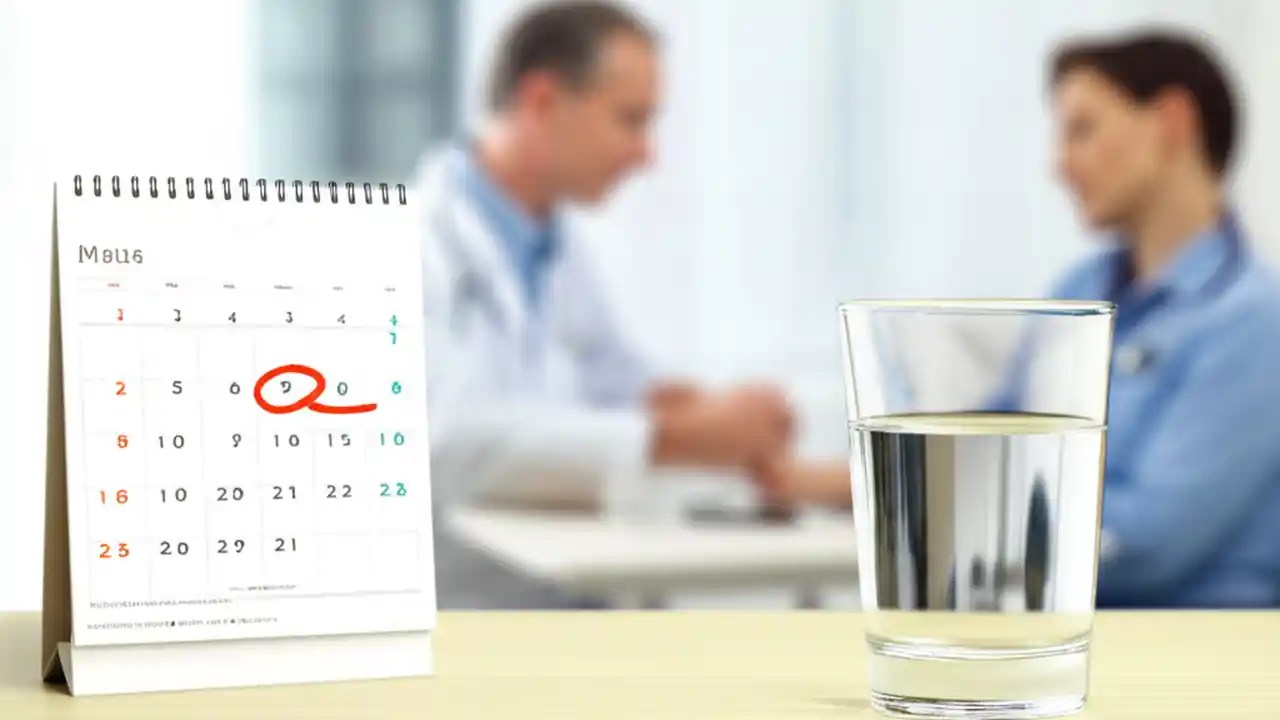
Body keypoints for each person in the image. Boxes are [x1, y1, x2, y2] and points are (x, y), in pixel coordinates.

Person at [762, 31, 1280, 608]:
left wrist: (947, 504)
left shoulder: (1256, 322)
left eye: (1082, 129)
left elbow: (1145, 545)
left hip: (1192, 658)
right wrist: (830, 481)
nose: (1059, 166)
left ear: (1173, 123)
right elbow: (997, 439)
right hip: (1051, 629)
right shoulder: (1080, 292)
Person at [412, 1, 794, 608]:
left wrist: (725, 415)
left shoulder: (555, 249)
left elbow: (620, 382)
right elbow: (449, 441)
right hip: (469, 612)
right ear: (542, 103)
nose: (647, 155)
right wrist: (682, 433)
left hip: (571, 591)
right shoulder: (415, 246)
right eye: (631, 120)